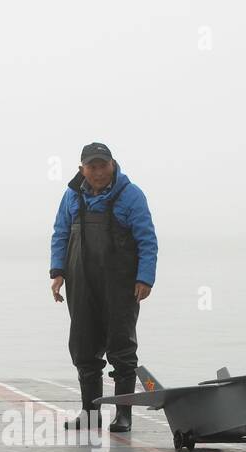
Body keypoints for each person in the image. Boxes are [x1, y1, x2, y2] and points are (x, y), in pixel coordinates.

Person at [49, 142, 158, 432]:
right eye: (91, 166)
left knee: (121, 348)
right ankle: (90, 413)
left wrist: (145, 278)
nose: (98, 171)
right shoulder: (72, 196)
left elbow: (147, 239)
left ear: (112, 164)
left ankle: (124, 414)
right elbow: (60, 233)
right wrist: (57, 273)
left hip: (121, 285)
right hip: (81, 282)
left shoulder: (131, 195)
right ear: (81, 169)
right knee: (83, 347)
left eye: (102, 165)